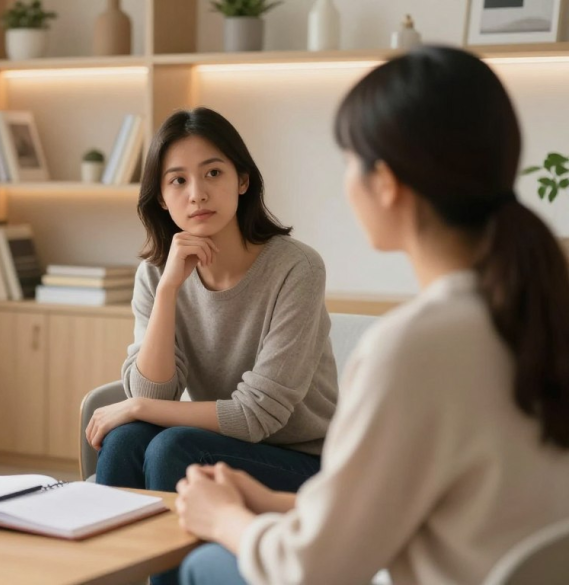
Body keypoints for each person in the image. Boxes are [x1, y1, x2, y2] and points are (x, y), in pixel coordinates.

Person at [175, 46, 569, 585]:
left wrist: (226, 519)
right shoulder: (536, 312)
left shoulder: (414, 347)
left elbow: (312, 570)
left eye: (348, 162)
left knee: (205, 565)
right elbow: (443, 511)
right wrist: (273, 502)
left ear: (385, 183)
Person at [89, 107, 338, 502]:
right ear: (162, 199)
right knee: (125, 440)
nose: (197, 194)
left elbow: (256, 415)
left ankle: (171, 567)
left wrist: (135, 405)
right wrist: (169, 289)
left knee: (173, 448)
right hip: (225, 445)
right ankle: (108, 564)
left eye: (213, 173)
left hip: (304, 462)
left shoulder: (297, 268)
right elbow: (155, 395)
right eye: (178, 181)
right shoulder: (155, 275)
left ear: (242, 180)